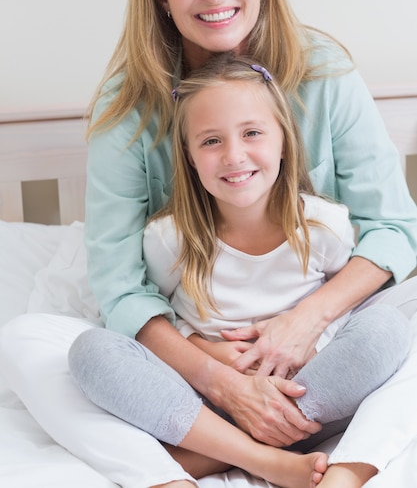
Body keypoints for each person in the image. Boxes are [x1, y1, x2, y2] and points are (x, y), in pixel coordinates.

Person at [1, 0, 417, 488]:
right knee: (26, 342)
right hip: (196, 350)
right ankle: (262, 449)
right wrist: (218, 374)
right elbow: (123, 287)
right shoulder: (127, 106)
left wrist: (303, 323)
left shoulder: (323, 73)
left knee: (402, 324)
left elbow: (394, 230)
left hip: (317, 347)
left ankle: (310, 462)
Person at [69, 54, 411, 486]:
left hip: (305, 391)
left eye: (252, 133)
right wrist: (211, 357)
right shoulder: (170, 239)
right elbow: (159, 319)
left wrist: (305, 349)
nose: (234, 155)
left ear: (284, 141)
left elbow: (346, 317)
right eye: (211, 141)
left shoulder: (324, 227)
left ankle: (228, 451)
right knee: (91, 352)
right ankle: (261, 448)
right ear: (190, 157)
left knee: (386, 327)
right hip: (204, 400)